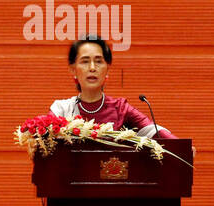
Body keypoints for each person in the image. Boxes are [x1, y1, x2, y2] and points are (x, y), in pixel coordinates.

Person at [48, 34, 176, 139]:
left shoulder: (120, 109)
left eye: (98, 61)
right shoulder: (61, 110)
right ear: (73, 69)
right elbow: (44, 141)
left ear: (107, 68)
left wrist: (183, 148)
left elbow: (153, 131)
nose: (92, 68)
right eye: (85, 61)